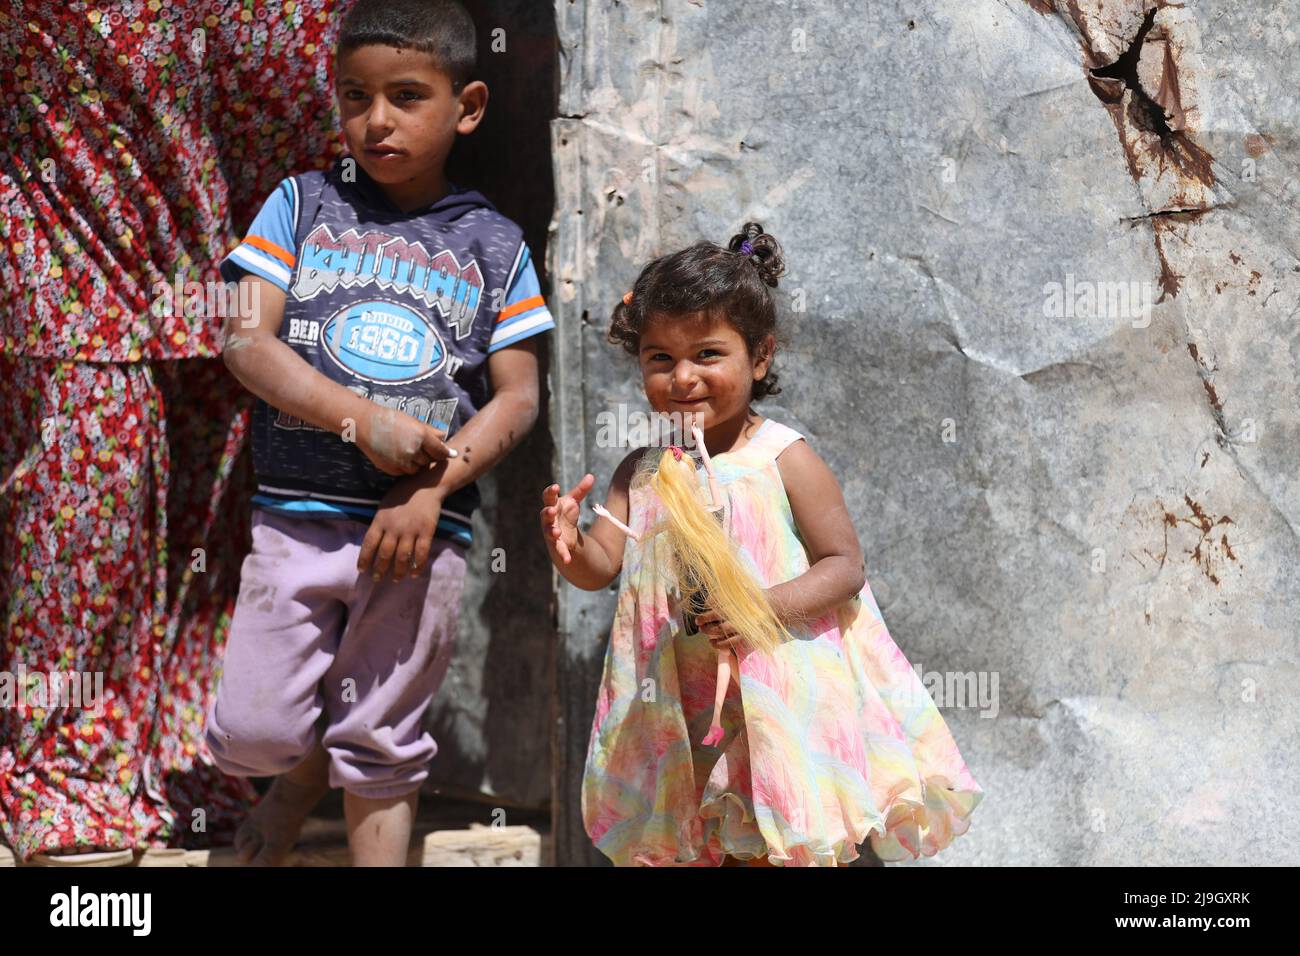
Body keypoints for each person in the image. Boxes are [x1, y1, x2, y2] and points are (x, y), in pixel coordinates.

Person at [0, 0, 356, 866]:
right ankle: (63, 762)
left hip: (263, 94)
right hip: (83, 100)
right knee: (93, 429)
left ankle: (182, 757)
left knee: (229, 411)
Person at [203, 0, 553, 866]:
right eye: (355, 97)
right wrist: (361, 420)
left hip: (418, 536)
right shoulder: (298, 204)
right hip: (297, 515)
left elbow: (517, 399)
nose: (377, 120)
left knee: (382, 745)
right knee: (251, 730)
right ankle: (290, 782)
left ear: (467, 107)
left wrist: (430, 487)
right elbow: (244, 340)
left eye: (406, 96)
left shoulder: (496, 245)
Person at [540, 223, 983, 866]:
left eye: (708, 355)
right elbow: (601, 564)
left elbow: (844, 566)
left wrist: (760, 607)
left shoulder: (783, 458)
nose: (682, 377)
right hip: (685, 703)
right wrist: (569, 544)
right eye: (660, 358)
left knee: (788, 831)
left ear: (761, 357)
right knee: (710, 835)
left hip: (779, 692)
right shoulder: (640, 471)